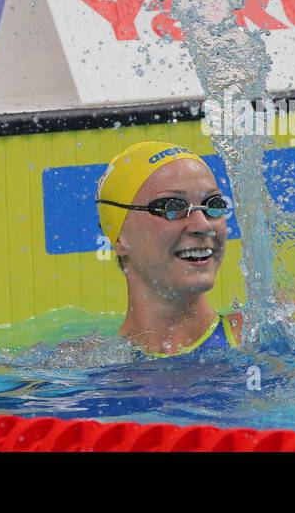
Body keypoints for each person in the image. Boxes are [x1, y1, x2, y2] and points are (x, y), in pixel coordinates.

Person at [96, 141, 243, 358]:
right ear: (120, 237)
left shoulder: (264, 336)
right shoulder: (91, 366)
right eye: (172, 208)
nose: (203, 225)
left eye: (213, 204)